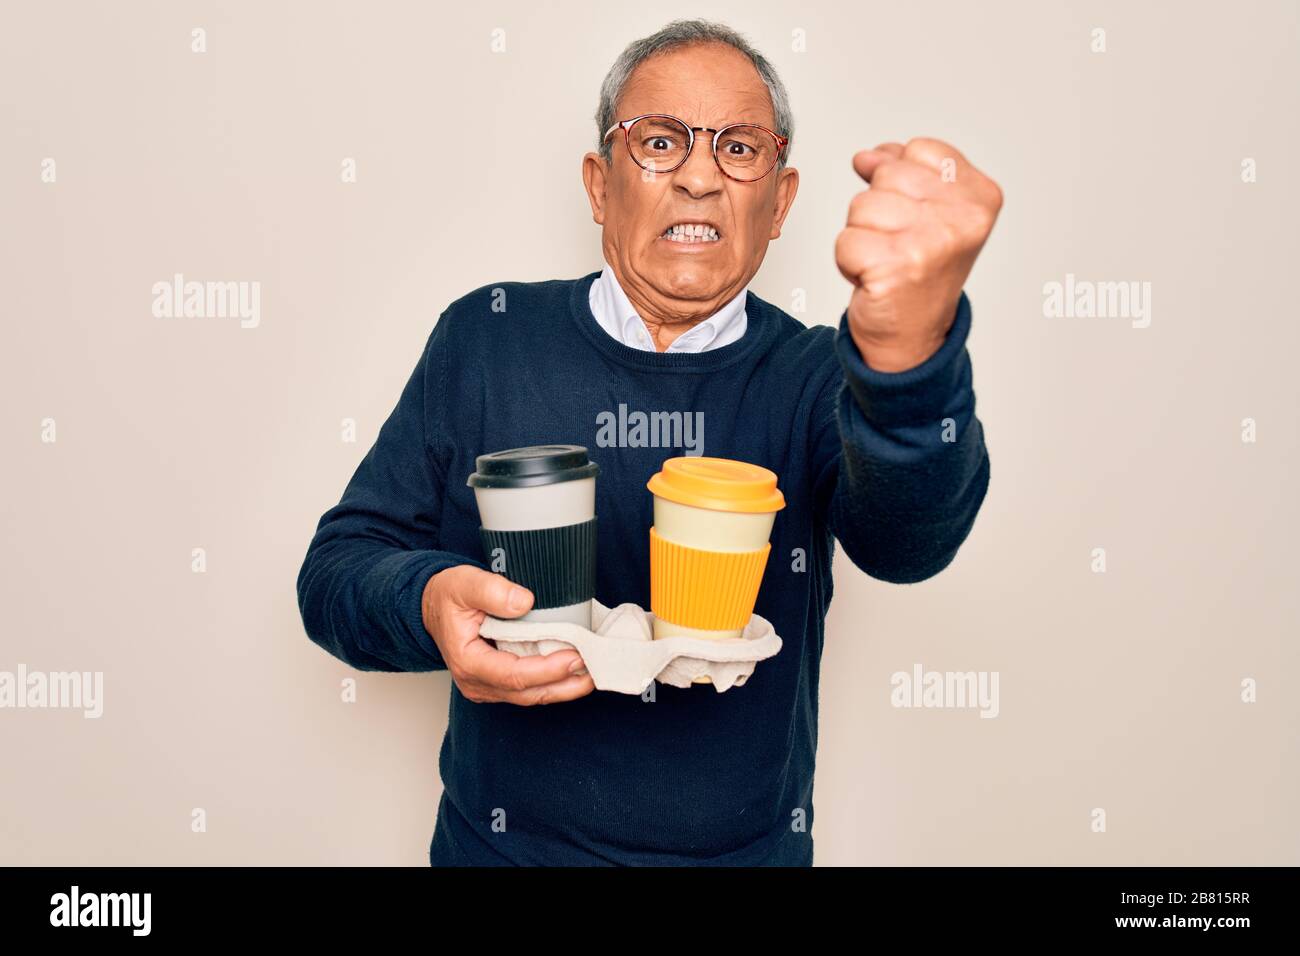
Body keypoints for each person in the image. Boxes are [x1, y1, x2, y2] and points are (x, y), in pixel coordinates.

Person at [297, 18, 1001, 865]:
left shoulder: (818, 375)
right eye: (661, 142)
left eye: (740, 149)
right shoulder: (487, 339)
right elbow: (336, 572)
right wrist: (425, 600)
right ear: (600, 185)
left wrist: (906, 356)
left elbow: (909, 545)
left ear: (780, 202)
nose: (701, 177)